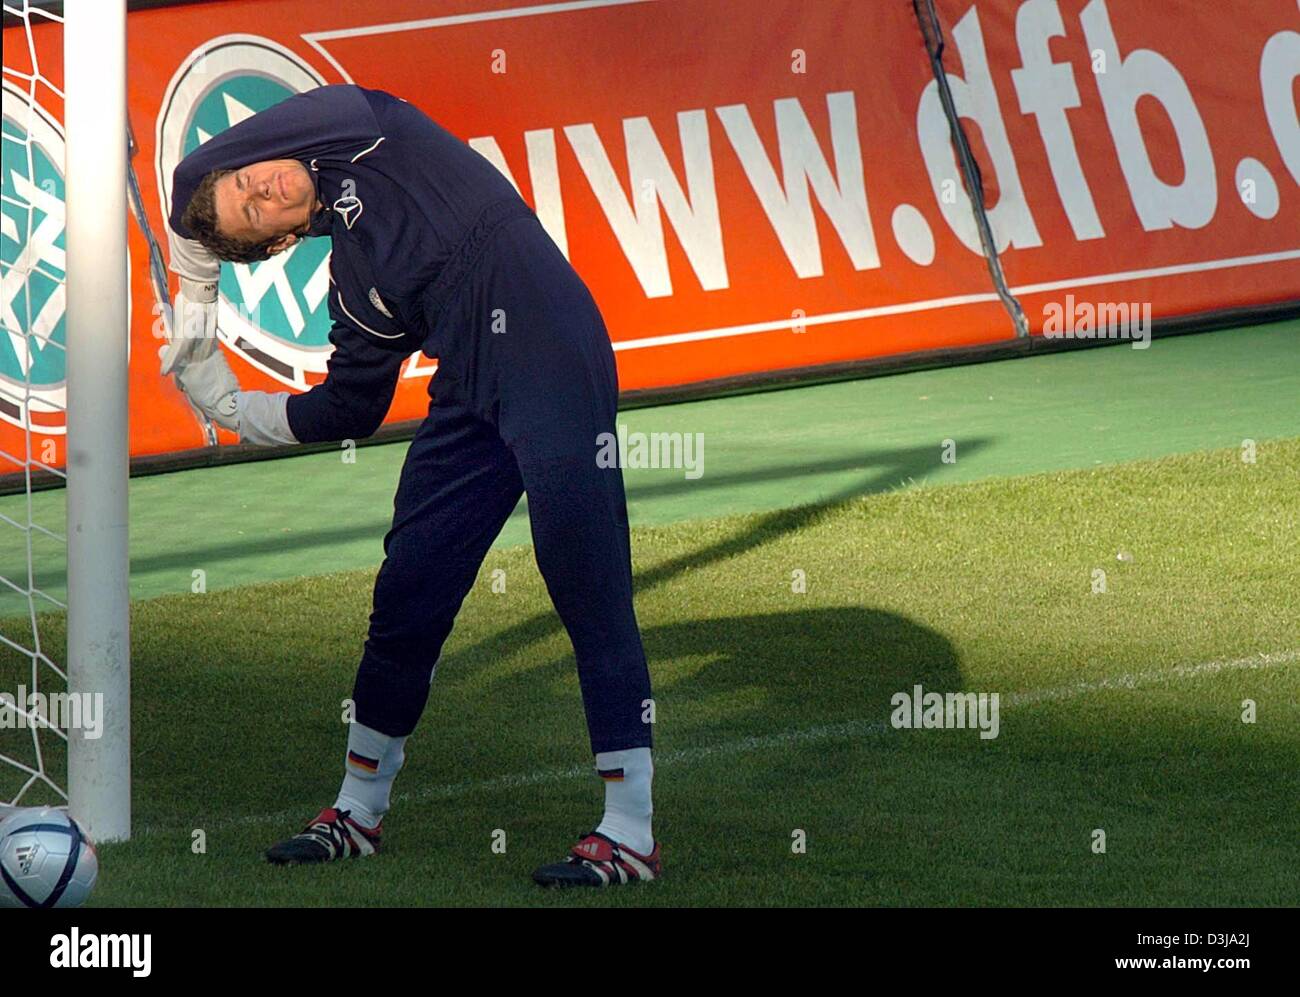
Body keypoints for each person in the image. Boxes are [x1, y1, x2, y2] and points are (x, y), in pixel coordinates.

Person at [163, 84, 658, 888]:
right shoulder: (360, 290)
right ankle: (357, 812)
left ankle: (630, 830)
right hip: (471, 392)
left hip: (552, 349)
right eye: (252, 213)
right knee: (409, 590)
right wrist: (232, 408)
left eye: (247, 179)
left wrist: (196, 299)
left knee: (583, 576)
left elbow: (196, 166)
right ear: (281, 241)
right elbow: (349, 406)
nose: (258, 189)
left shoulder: (362, 132)